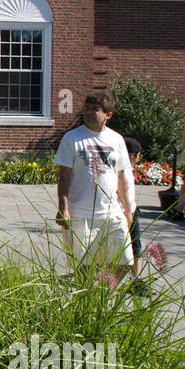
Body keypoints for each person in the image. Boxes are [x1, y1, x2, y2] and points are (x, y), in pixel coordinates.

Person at [55, 93, 133, 281]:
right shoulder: (71, 138)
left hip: (112, 213)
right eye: (87, 108)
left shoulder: (116, 139)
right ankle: (88, 301)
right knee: (83, 266)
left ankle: (105, 292)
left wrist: (128, 209)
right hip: (81, 215)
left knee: (125, 261)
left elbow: (121, 176)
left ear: (108, 115)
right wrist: (63, 207)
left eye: (95, 109)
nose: (88, 113)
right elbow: (64, 176)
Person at [120, 135, 144, 281]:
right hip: (126, 213)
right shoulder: (123, 170)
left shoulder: (122, 167)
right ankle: (135, 279)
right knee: (135, 246)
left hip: (128, 211)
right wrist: (129, 210)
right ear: (134, 155)